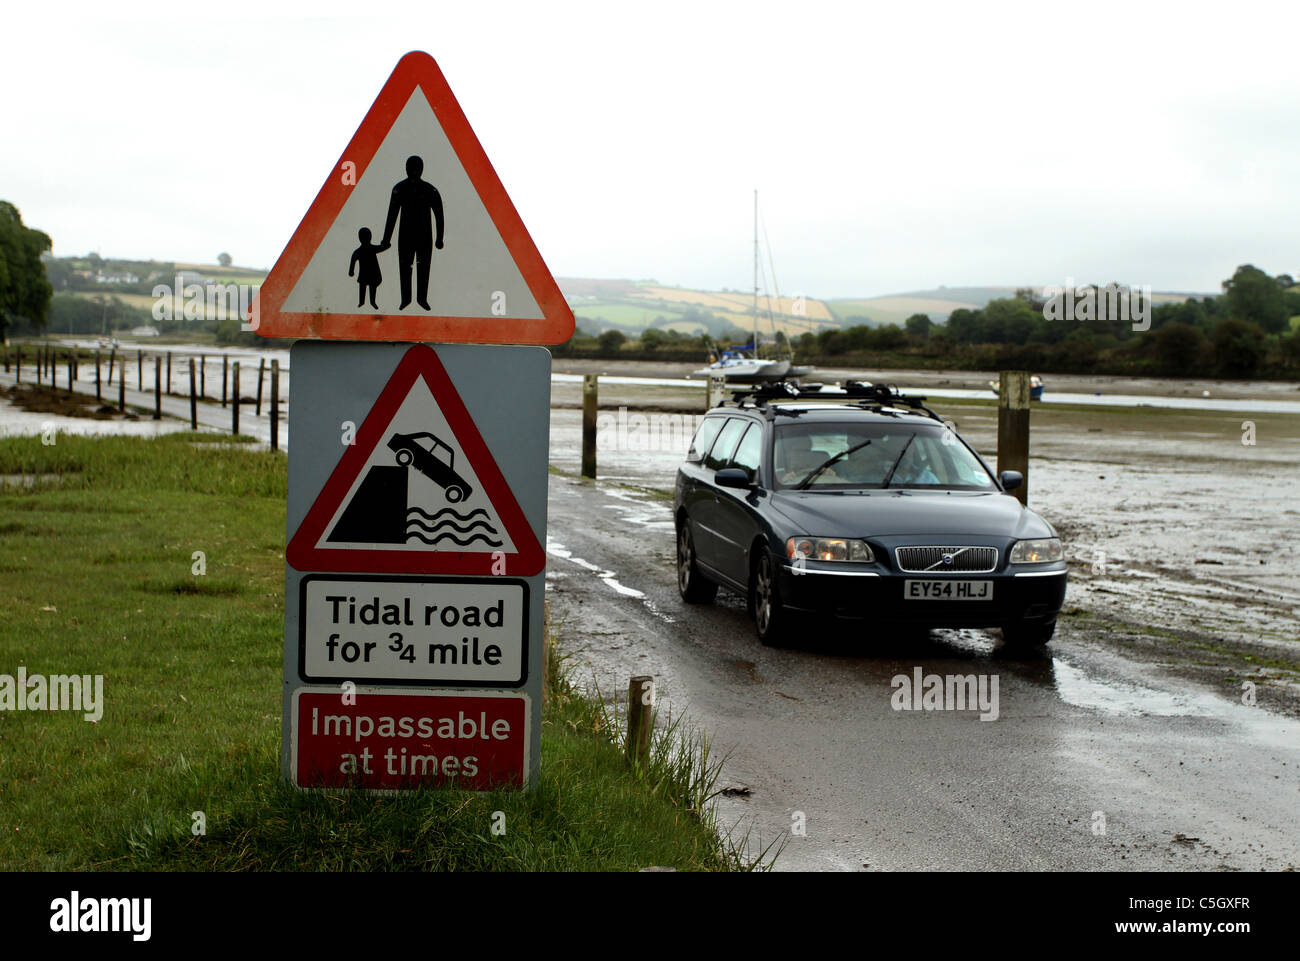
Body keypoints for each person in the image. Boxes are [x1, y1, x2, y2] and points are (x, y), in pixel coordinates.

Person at [380, 155, 444, 310]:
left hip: (424, 237)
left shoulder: (430, 190)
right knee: (405, 268)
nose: (412, 171)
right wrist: (386, 239)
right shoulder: (399, 189)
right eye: (410, 168)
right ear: (406, 169)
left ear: (421, 170)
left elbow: (439, 215)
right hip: (406, 237)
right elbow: (392, 215)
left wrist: (439, 238)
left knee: (424, 268)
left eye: (415, 168)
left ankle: (422, 299)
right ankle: (406, 299)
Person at [348, 227, 386, 309]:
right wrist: (351, 271)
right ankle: (362, 302)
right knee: (363, 287)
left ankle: (372, 302)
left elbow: (382, 247)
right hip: (364, 274)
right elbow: (353, 260)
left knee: (371, 287)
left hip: (372, 274)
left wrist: (351, 271)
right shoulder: (360, 251)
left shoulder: (370, 249)